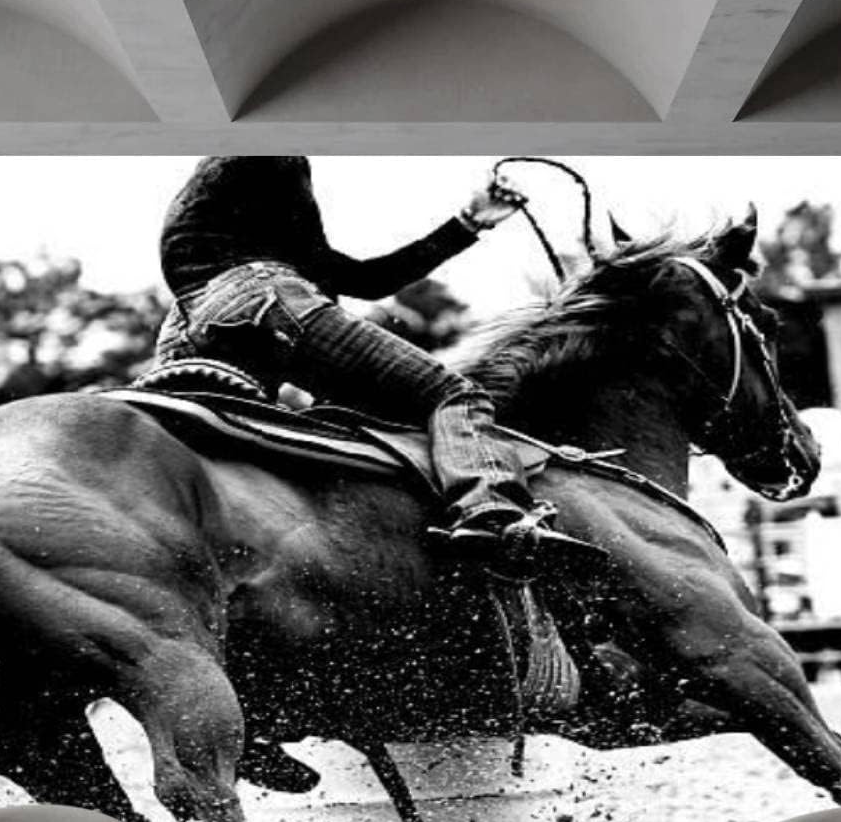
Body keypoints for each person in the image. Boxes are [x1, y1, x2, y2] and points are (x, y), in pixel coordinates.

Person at [143, 155, 601, 572]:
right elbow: (349, 279)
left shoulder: (211, 188)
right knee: (454, 395)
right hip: (262, 297)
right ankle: (496, 515)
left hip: (188, 323)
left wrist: (469, 222)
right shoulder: (274, 157)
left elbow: (354, 279)